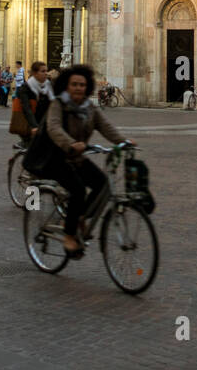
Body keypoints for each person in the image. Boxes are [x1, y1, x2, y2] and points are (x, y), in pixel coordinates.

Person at [38, 65, 132, 258]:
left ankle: (79, 217)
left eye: (82, 84)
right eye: (74, 84)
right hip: (56, 158)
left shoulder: (89, 107)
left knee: (103, 184)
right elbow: (54, 128)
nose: (79, 88)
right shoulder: (58, 104)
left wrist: (123, 141)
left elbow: (105, 126)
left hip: (77, 158)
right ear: (66, 86)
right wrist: (71, 143)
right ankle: (69, 235)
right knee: (78, 190)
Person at [15, 60, 53, 149]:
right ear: (35, 73)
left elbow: (55, 101)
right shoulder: (25, 88)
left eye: (46, 71)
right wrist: (34, 126)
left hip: (46, 122)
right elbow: (26, 108)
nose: (46, 73)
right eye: (43, 71)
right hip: (31, 124)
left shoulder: (48, 85)